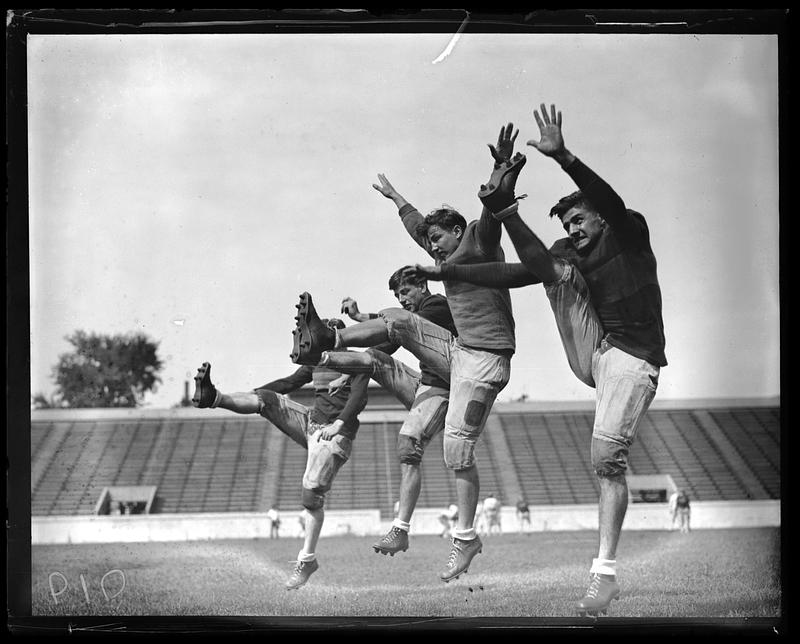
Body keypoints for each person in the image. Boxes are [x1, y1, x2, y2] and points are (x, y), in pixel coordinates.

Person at [406, 103, 666, 615]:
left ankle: (604, 574)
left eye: (579, 219)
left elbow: (611, 204)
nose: (574, 227)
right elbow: (517, 273)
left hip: (633, 357)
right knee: (555, 269)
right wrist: (453, 269)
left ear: (598, 216)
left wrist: (565, 156)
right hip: (596, 348)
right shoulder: (569, 252)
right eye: (568, 221)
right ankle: (507, 211)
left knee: (605, 460)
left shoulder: (628, 232)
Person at [289, 124, 524, 582]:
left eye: (439, 239)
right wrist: (395, 196)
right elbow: (417, 223)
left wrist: (500, 170)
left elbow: (492, 213)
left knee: (455, 450)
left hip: (483, 360)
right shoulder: (439, 254)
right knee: (411, 442)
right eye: (430, 242)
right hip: (450, 366)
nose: (431, 246)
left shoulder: (479, 243)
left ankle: (466, 537)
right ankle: (324, 345)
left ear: (459, 231)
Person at [191, 318, 369, 590]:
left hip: (337, 434)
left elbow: (359, 397)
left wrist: (339, 424)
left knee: (310, 496)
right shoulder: (317, 363)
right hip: (313, 424)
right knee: (266, 398)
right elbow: (287, 383)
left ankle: (307, 559)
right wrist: (252, 393)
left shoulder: (357, 362)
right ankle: (215, 398)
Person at [323, 266, 456, 557]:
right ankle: (326, 353)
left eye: (405, 291)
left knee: (408, 445)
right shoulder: (416, 314)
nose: (402, 298)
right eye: (397, 295)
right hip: (423, 385)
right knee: (374, 356)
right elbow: (389, 341)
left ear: (422, 285)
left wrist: (353, 324)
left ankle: (400, 529)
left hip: (445, 390)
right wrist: (347, 373)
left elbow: (397, 329)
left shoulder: (437, 306)